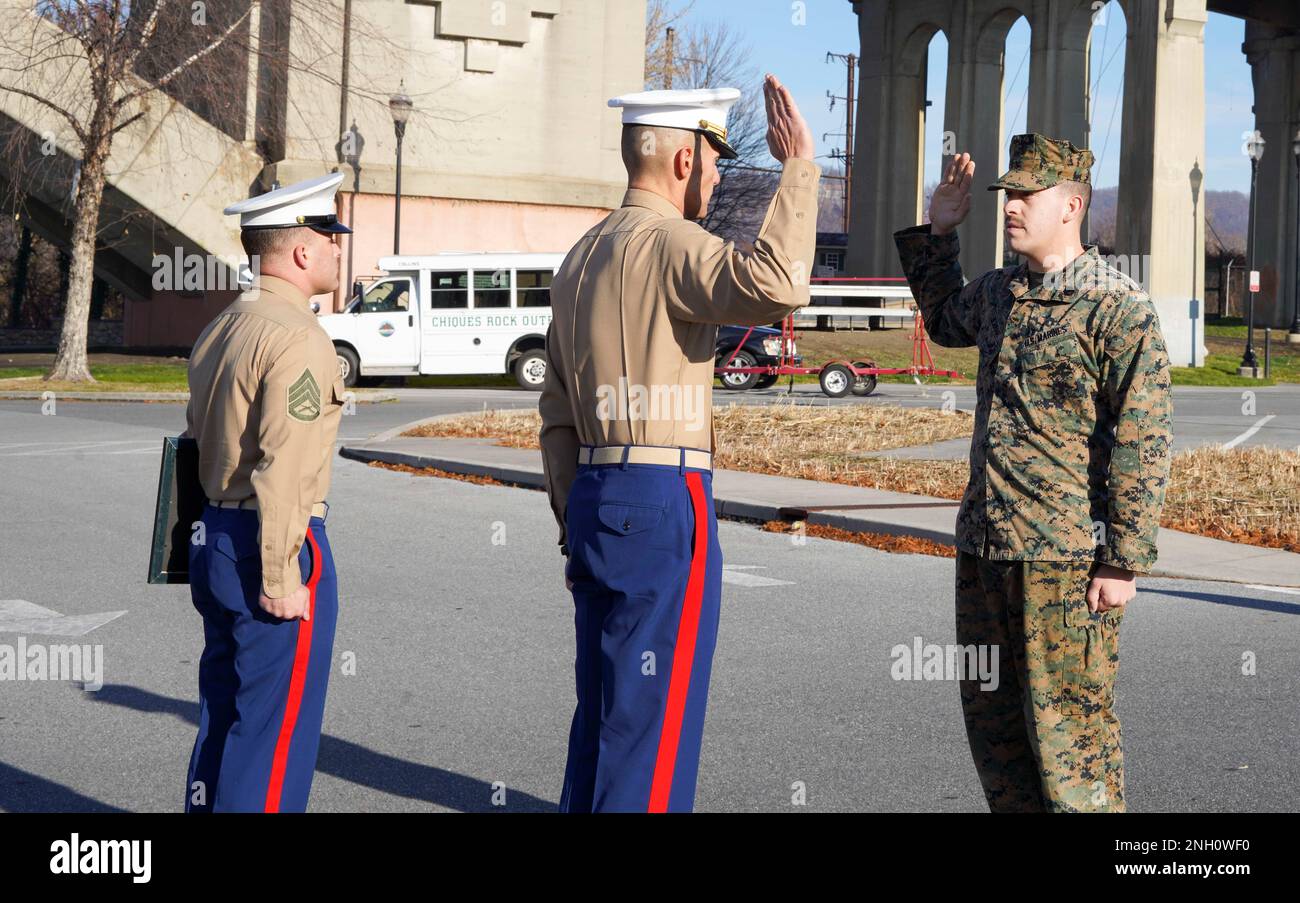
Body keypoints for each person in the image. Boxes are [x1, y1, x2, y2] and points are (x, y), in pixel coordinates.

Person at [539, 76, 820, 812]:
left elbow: (558, 414)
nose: (722, 174)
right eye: (716, 158)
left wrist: (571, 517)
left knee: (604, 715)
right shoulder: (672, 244)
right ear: (684, 162)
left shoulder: (578, 257)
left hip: (595, 492)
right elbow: (781, 282)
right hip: (661, 493)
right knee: (653, 728)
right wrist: (799, 170)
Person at [894, 134, 1173, 812]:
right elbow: (941, 317)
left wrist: (1122, 560)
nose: (1010, 206)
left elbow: (1144, 437)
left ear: (1072, 205)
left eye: (1025, 194)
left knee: (1071, 752)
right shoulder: (1000, 293)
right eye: (1007, 194)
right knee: (999, 744)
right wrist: (939, 232)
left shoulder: (1117, 305)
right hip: (985, 552)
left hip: (1065, 561)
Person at [183, 173, 350, 812]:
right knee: (272, 736)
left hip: (216, 535)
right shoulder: (299, 337)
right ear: (302, 250)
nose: (338, 248)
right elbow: (284, 467)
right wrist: (282, 577)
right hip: (270, 541)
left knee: (223, 717)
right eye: (329, 235)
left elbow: (192, 444)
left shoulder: (222, 326)